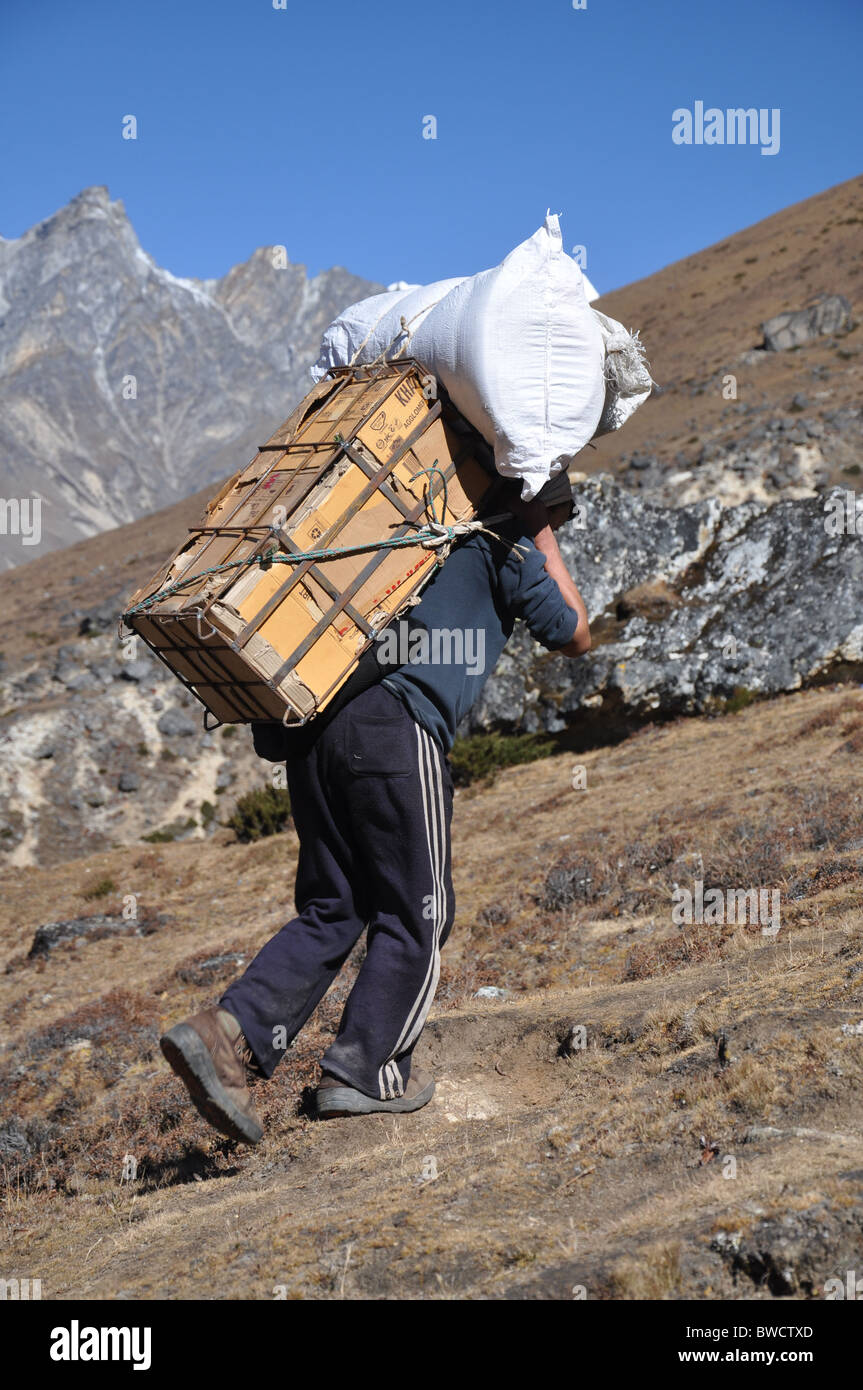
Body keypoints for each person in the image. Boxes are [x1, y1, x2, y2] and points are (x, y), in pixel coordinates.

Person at [159, 470, 592, 1143]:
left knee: (337, 906)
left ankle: (226, 1032)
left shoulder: (406, 535)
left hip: (314, 732)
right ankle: (365, 1072)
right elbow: (571, 632)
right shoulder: (500, 542)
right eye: (559, 512)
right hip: (394, 726)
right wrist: (534, 523)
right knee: (421, 909)